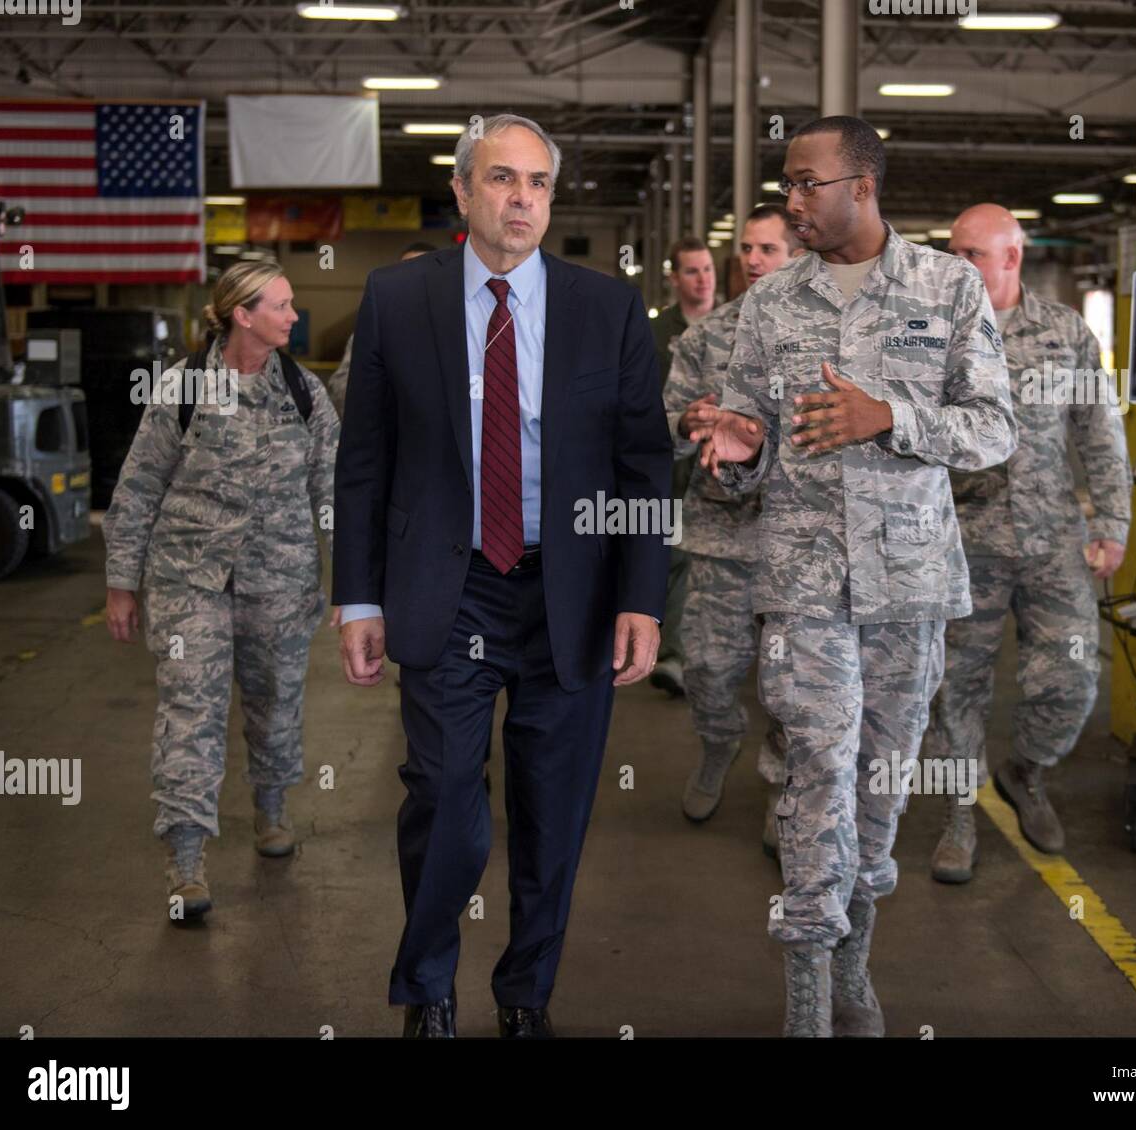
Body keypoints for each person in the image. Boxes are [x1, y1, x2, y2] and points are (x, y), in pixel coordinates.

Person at [332, 114, 671, 1039]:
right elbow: (364, 461)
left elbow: (644, 464)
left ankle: (526, 994)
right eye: (500, 180)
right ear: (462, 191)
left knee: (552, 810)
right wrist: (357, 597)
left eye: (537, 184)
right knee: (444, 796)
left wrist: (643, 596)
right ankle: (428, 986)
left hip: (573, 595)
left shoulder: (608, 310)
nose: (520, 199)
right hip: (450, 588)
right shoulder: (398, 300)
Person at [693, 116, 1016, 1037]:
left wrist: (891, 418)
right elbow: (748, 429)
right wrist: (737, 447)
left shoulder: (947, 286)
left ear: (862, 186)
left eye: (807, 185)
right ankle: (804, 996)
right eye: (787, 185)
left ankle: (854, 967)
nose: (792, 201)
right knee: (816, 773)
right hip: (804, 582)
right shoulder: (770, 303)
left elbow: (994, 430)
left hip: (909, 585)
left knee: (881, 782)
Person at [103, 260, 340, 922]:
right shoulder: (181, 388)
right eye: (282, 305)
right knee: (189, 714)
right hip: (188, 582)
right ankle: (185, 862)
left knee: (275, 703)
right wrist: (122, 583)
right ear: (243, 314)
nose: (294, 316)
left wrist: (352, 583)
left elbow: (332, 488)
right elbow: (140, 487)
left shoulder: (303, 392)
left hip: (281, 581)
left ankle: (270, 807)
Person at [925, 203, 1131, 879]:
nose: (958, 265)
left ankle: (1028, 770)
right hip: (962, 539)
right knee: (957, 684)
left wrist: (1111, 523)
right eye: (952, 252)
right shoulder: (928, 331)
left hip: (1051, 540)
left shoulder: (1064, 333)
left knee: (1070, 679)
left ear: (1012, 259)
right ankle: (960, 813)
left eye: (973, 255)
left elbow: (1098, 432)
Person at [665, 204, 802, 852]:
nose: (752, 260)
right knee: (708, 669)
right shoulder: (708, 337)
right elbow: (660, 428)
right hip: (720, 537)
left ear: (798, 254)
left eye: (768, 249)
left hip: (800, 543)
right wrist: (687, 424)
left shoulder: (825, 335)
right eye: (746, 248)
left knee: (791, 684)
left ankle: (781, 786)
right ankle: (719, 744)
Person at [649, 236, 717, 698]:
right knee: (678, 561)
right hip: (672, 468)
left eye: (708, 269)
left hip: (724, 470)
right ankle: (675, 653)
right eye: (692, 271)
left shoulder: (735, 326)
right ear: (675, 278)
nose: (702, 279)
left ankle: (697, 655)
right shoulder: (656, 334)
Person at [328, 241, 436, 419]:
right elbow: (340, 388)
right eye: (406, 272)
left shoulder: (461, 326)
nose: (413, 280)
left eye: (422, 273)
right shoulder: (375, 329)